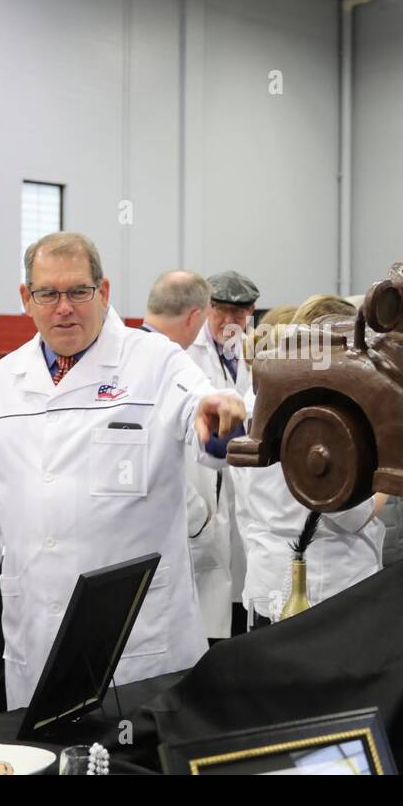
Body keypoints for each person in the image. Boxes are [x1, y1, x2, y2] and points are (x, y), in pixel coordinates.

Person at [0, 233, 245, 709]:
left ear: (103, 291)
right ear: (26, 298)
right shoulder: (3, 380)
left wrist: (217, 422)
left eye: (79, 291)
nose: (65, 307)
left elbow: (202, 418)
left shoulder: (155, 361)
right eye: (48, 293)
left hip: (138, 641)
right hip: (35, 633)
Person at [232, 295, 385, 627]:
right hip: (325, 587)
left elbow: (244, 506)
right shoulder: (323, 412)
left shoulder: (254, 398)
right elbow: (351, 515)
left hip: (267, 575)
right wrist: (390, 480)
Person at [140, 271, 233, 643]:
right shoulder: (158, 366)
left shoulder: (146, 360)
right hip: (176, 537)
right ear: (196, 316)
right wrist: (199, 522)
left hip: (180, 537)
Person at [187, 271, 259, 637]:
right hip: (203, 485)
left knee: (239, 607)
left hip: (243, 483)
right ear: (206, 308)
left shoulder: (255, 351)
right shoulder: (185, 352)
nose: (230, 322)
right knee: (207, 607)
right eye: (222, 311)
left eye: (240, 313)